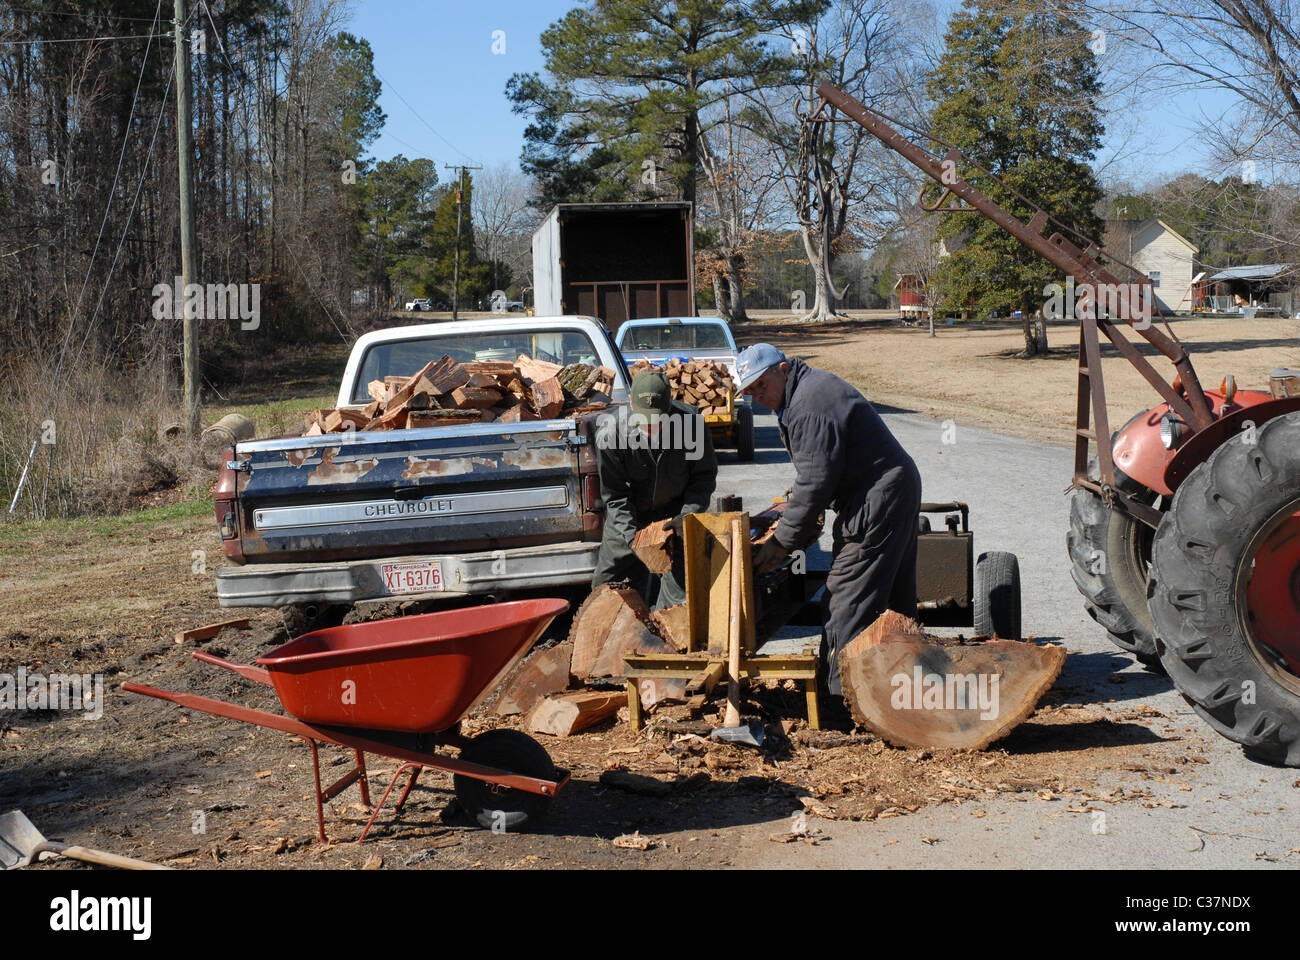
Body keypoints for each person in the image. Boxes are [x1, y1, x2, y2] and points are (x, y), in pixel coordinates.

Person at [736, 343, 921, 705]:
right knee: (894, 599)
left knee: (846, 600)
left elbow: (817, 480)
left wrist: (782, 542)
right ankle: (904, 690)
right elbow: (819, 469)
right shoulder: (802, 393)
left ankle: (843, 702)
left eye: (761, 385)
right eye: (750, 392)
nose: (758, 396)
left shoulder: (808, 403)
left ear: (783, 369)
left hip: (877, 498)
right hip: (889, 489)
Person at [591, 368, 718, 609]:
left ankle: (665, 637)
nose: (650, 426)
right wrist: (632, 539)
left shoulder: (693, 426)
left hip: (675, 516)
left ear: (670, 403)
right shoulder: (611, 434)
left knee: (680, 596)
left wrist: (687, 515)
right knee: (606, 591)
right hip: (629, 518)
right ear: (630, 403)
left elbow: (703, 477)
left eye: (657, 419)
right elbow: (616, 496)